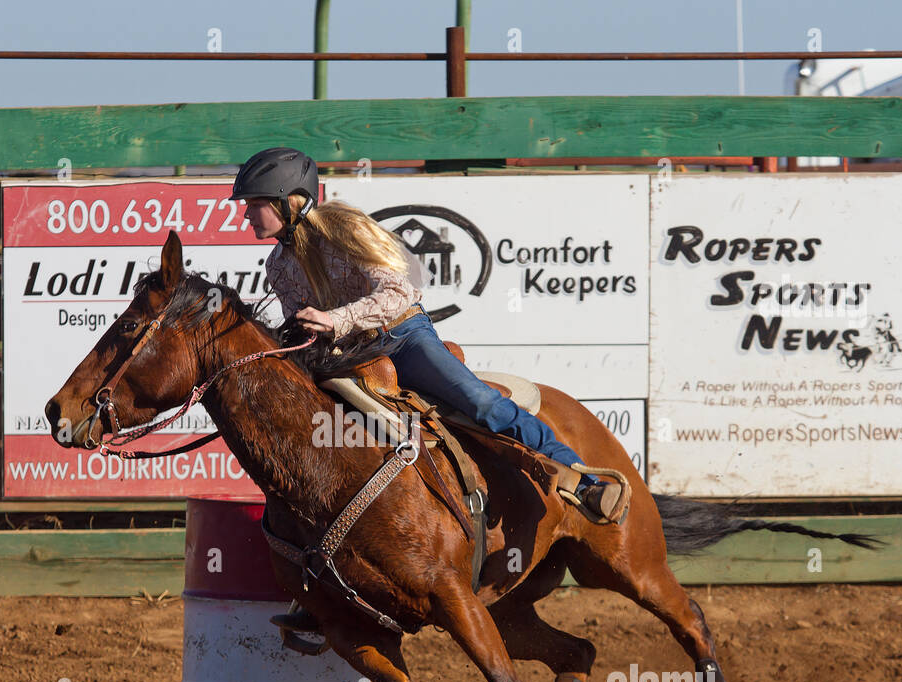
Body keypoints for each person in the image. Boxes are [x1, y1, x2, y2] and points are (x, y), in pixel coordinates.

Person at [232, 148, 625, 633]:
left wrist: (334, 320)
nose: (247, 213)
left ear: (290, 201)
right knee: (320, 446)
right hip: (346, 358)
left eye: (254, 203)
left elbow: (401, 293)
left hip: (402, 337)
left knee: (479, 402)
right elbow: (309, 327)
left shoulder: (346, 229)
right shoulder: (278, 266)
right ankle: (325, 588)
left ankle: (585, 481)